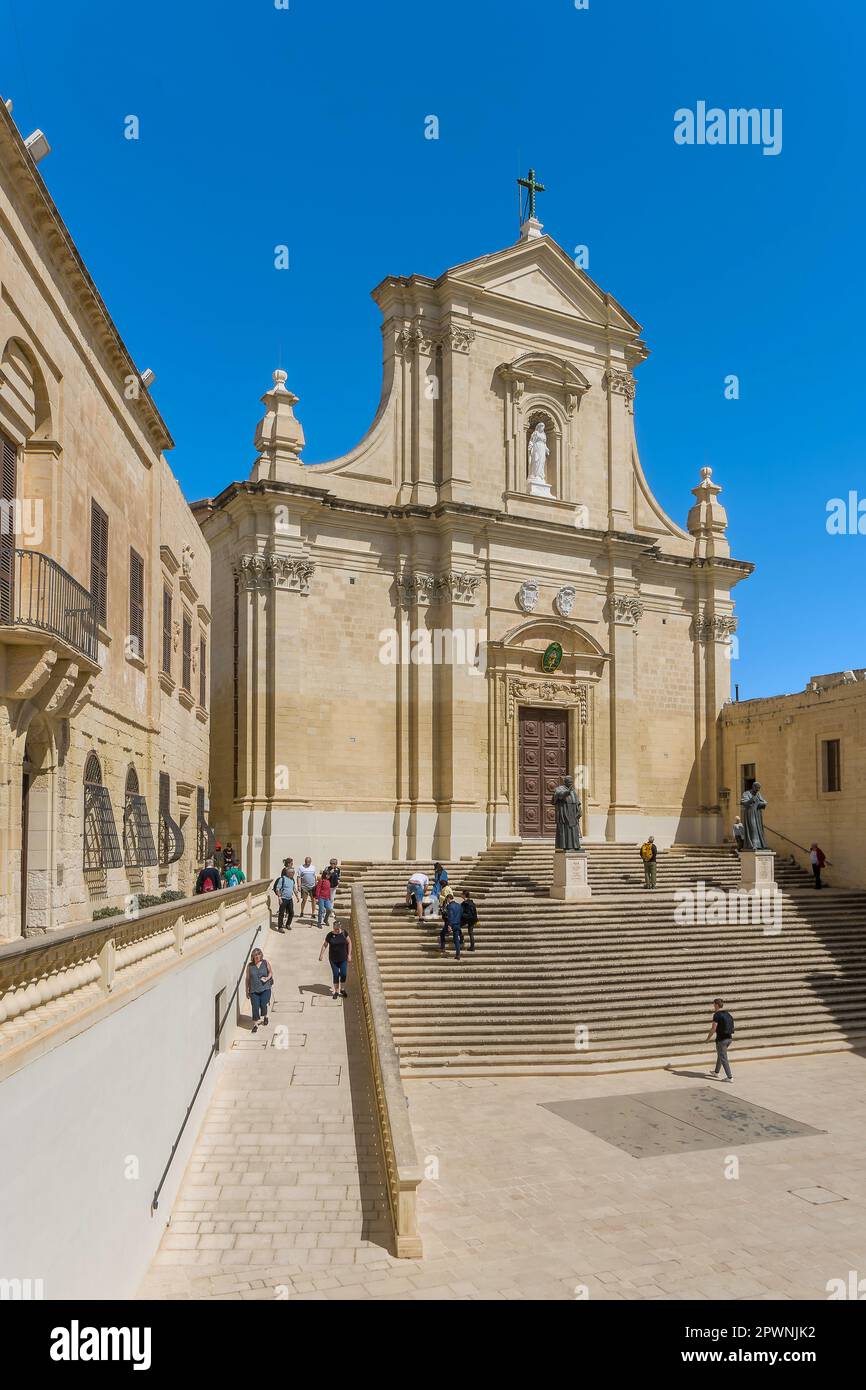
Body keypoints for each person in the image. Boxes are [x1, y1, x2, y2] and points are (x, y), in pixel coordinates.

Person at [319, 919, 352, 1000]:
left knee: (343, 974)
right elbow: (325, 945)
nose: (337, 930)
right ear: (333, 928)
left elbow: (349, 943)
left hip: (343, 958)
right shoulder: (329, 935)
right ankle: (336, 991)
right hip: (333, 959)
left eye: (338, 929)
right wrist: (321, 955)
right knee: (336, 975)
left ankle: (342, 989)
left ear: (340, 927)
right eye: (335, 929)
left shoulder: (344, 933)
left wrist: (349, 954)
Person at [706, 998, 734, 1081]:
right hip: (729, 1038)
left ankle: (729, 1077)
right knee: (720, 1055)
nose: (713, 1006)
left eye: (714, 1004)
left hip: (721, 1040)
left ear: (717, 1005)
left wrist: (708, 1038)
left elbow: (713, 1028)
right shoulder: (728, 1014)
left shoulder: (717, 1015)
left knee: (723, 1057)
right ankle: (716, 1072)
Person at [246, 948, 274, 1033]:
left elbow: (270, 972)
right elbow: (247, 979)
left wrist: (267, 978)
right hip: (254, 990)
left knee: (263, 1004)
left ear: (261, 955)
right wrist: (246, 990)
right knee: (255, 1007)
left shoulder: (265, 963)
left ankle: (265, 1016)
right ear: (253, 957)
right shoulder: (250, 966)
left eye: (259, 954)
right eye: (255, 955)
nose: (257, 956)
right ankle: (255, 1025)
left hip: (265, 988)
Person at [272, 859, 297, 931]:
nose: (293, 874)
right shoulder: (282, 878)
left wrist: (297, 896)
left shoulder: (292, 879)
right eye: (292, 873)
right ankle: (280, 927)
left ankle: (288, 924)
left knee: (291, 913)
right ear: (288, 873)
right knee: (281, 913)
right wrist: (279, 898)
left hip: (289, 898)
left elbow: (293, 887)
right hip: (283, 898)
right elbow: (278, 888)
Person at [439, 894, 464, 960]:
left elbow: (450, 916)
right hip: (457, 924)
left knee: (442, 934)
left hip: (450, 924)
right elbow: (461, 914)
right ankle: (458, 955)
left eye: (447, 899)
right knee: (456, 940)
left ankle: (443, 948)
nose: (447, 901)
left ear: (449, 898)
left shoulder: (450, 906)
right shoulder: (459, 905)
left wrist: (449, 926)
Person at [460, 888, 478, 952]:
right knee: (471, 933)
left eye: (462, 894)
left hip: (466, 918)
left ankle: (461, 939)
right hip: (473, 919)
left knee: (457, 926)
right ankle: (472, 947)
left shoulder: (464, 903)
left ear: (464, 895)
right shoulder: (472, 902)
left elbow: (461, 912)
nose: (461, 895)